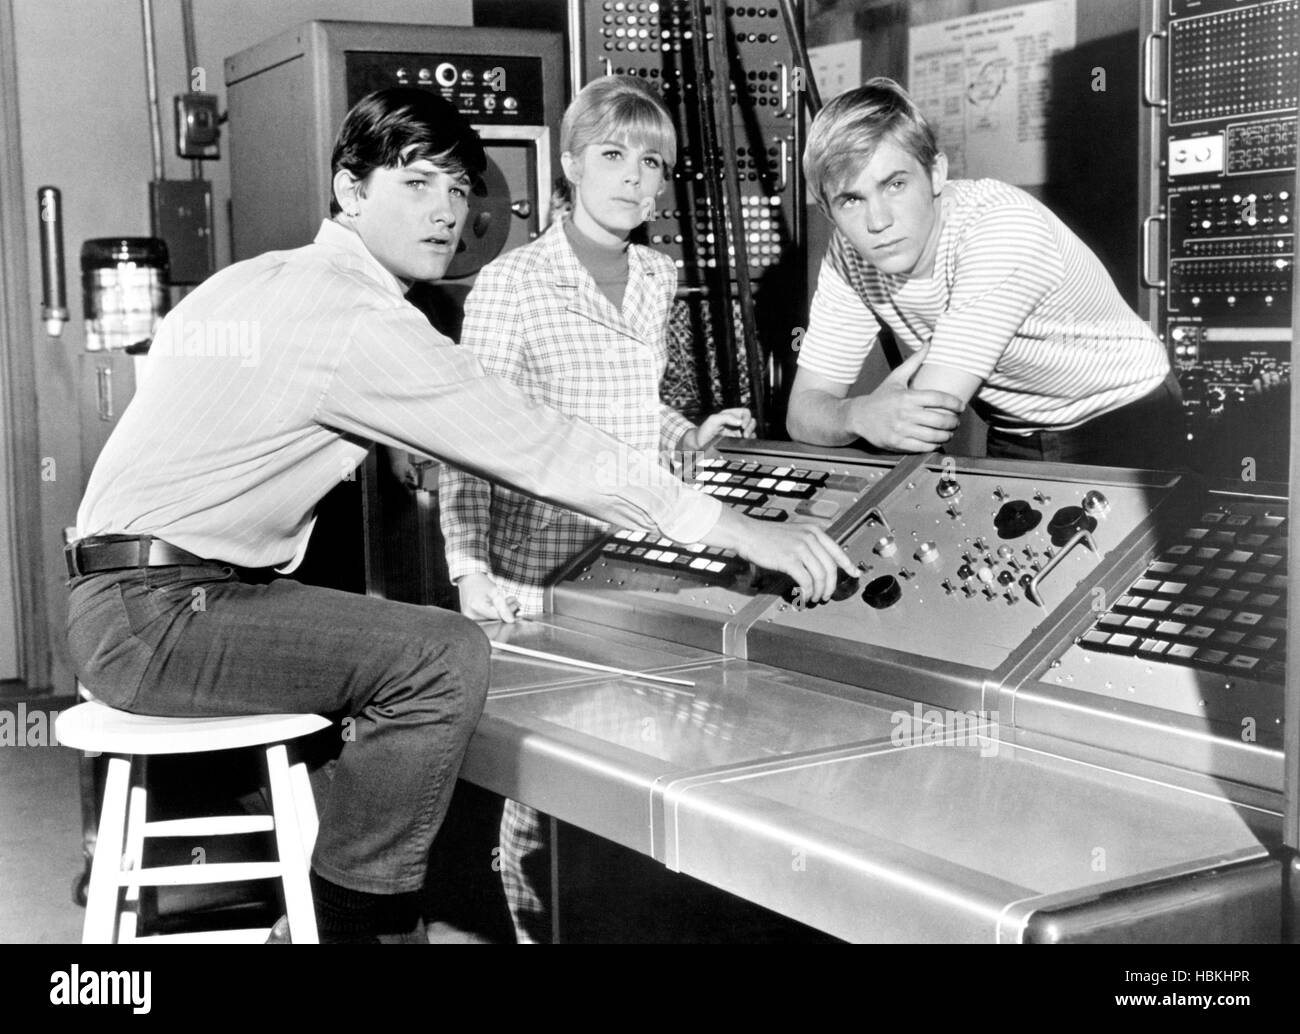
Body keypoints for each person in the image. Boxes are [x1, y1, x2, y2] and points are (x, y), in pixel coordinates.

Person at [65, 87, 851, 944]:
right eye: (416, 185)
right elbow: (530, 440)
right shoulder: (355, 314)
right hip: (163, 613)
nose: (446, 213)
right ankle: (360, 926)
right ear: (350, 192)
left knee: (393, 689)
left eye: (458, 188)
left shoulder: (263, 274)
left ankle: (334, 902)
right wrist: (735, 527)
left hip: (146, 597)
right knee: (442, 655)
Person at [439, 75, 754, 943]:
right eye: (612, 155)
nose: (632, 177)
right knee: (540, 794)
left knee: (633, 770)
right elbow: (468, 439)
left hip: (634, 565)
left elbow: (632, 409)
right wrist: (467, 569)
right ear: (571, 165)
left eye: (651, 163)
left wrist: (690, 433)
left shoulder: (657, 274)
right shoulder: (512, 283)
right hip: (532, 573)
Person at [785, 77, 1185, 470]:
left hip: (1124, 419)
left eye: (895, 185)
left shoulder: (1000, 228)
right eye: (852, 200)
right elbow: (802, 414)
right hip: (1015, 429)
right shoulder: (847, 253)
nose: (878, 221)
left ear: (936, 173)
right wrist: (857, 414)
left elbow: (925, 416)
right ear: (828, 212)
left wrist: (863, 417)